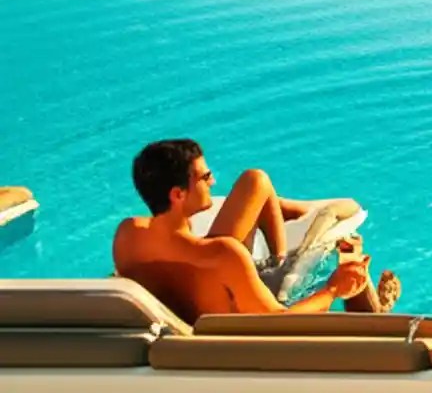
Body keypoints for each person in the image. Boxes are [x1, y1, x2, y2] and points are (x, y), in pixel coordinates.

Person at [112, 138, 399, 322]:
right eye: (205, 177)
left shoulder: (128, 236)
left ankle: (280, 215)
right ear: (178, 194)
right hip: (242, 313)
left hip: (197, 298)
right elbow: (277, 325)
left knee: (255, 180)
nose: (212, 182)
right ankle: (286, 251)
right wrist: (333, 289)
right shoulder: (225, 254)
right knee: (350, 265)